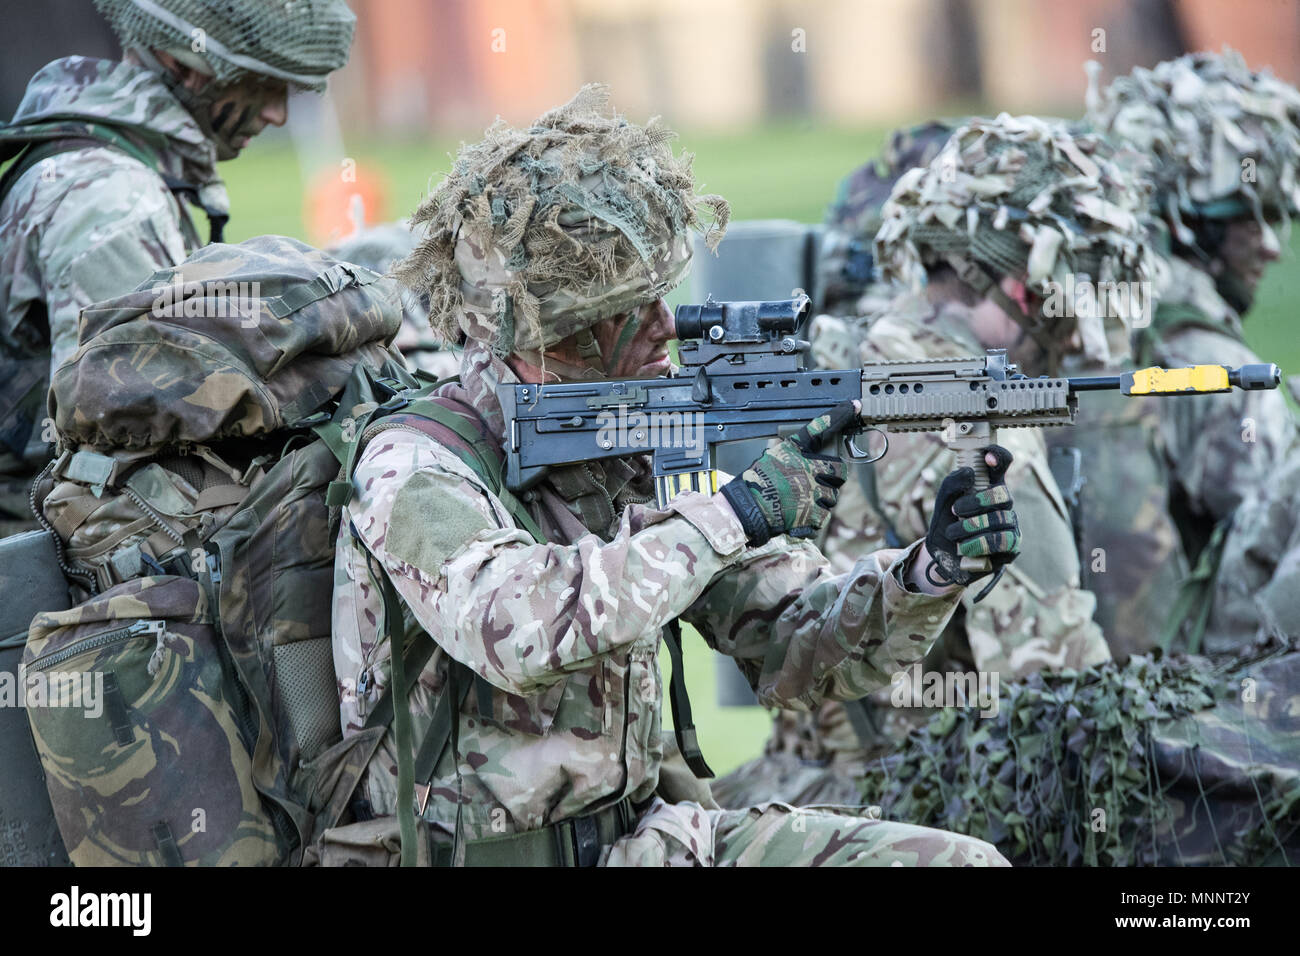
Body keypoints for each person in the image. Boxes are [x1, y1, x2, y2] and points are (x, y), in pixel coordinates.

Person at [327, 86, 1022, 866]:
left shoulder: (623, 450)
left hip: (643, 843)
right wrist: (735, 515)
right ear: (554, 335)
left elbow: (790, 643)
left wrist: (926, 572)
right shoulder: (415, 467)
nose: (667, 326)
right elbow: (518, 632)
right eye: (632, 310)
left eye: (662, 297)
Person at [714, 115, 1155, 808]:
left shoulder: (838, 353)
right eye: (1079, 289)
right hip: (912, 813)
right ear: (1027, 288)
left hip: (787, 794)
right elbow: (1065, 701)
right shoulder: (975, 424)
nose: (1082, 338)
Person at [0, 0, 356, 535]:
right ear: (187, 65)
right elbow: (116, 441)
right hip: (36, 554)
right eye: (262, 84)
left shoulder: (114, 165)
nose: (277, 114)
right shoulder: (113, 199)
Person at [1081, 50, 1300, 650]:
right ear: (1189, 224)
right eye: (1250, 222)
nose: (1272, 248)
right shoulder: (1213, 365)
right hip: (1188, 696)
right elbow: (1279, 550)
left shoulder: (1078, 321)